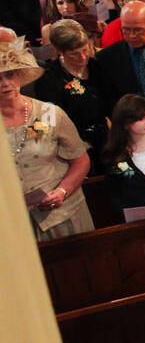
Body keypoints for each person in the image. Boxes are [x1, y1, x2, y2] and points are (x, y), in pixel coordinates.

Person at [3, 38, 93, 239]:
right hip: (15, 227)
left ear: (18, 76)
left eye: (10, 75)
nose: (5, 84)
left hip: (64, 217)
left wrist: (62, 191)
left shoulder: (49, 113)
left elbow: (81, 160)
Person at [33, 20, 110, 174]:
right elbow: (50, 122)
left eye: (85, 49)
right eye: (74, 53)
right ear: (60, 52)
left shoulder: (97, 67)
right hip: (73, 148)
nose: (82, 57)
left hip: (106, 141)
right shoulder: (49, 78)